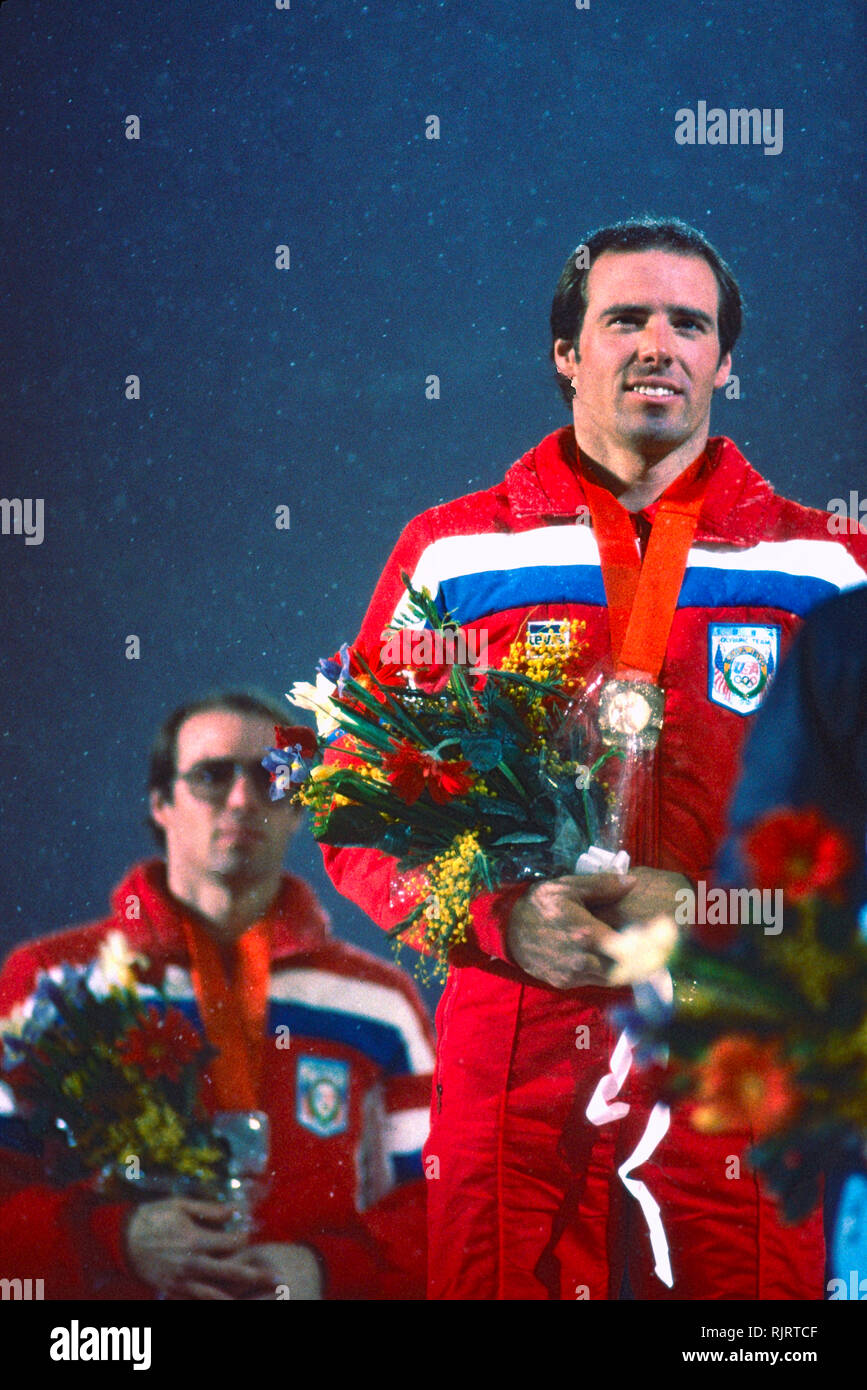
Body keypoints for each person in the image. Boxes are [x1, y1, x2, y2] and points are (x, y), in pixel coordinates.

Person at [321, 218, 867, 1299]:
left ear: (725, 361)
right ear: (567, 352)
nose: (658, 343)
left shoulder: (828, 566)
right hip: (516, 1025)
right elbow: (354, 801)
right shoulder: (456, 551)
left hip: (740, 1042)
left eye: (690, 323)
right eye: (625, 319)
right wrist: (499, 915)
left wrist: (722, 913)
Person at [0, 691, 435, 1300]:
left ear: (297, 810)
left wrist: (326, 1270)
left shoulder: (377, 1003)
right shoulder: (53, 983)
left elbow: (439, 1204)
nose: (242, 800)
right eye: (211, 776)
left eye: (270, 779)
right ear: (161, 803)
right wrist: (117, 1239)